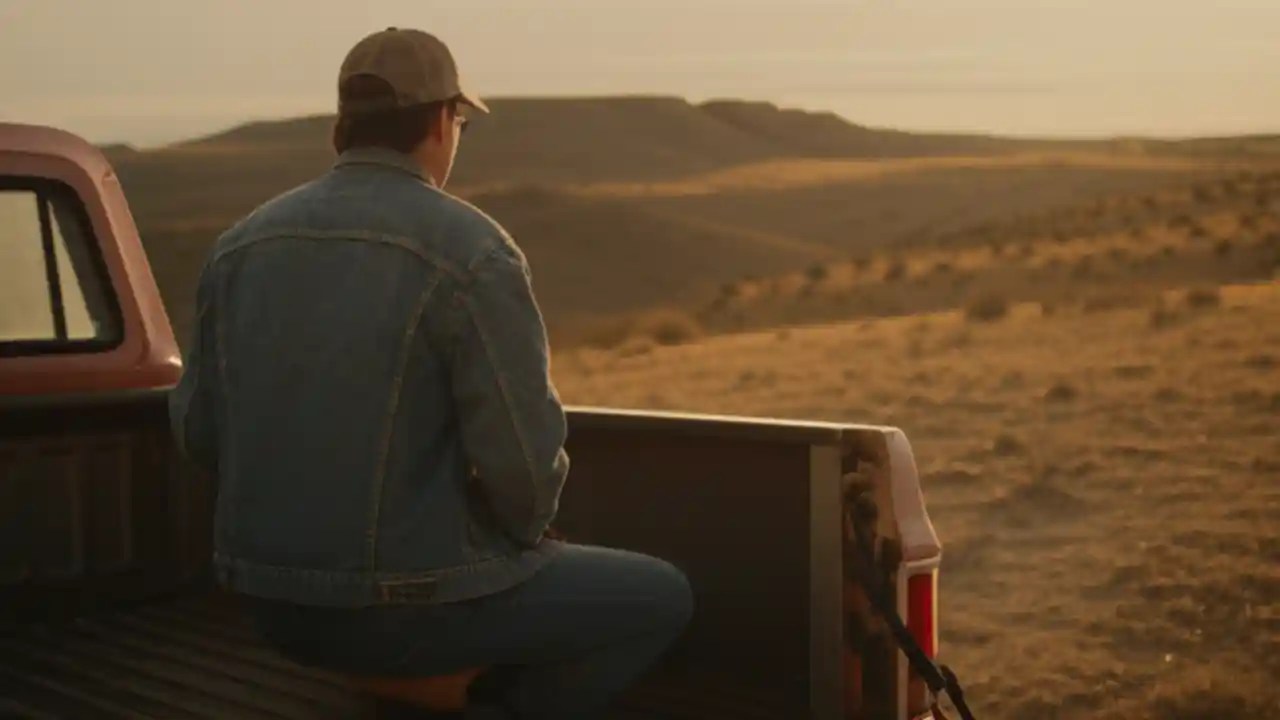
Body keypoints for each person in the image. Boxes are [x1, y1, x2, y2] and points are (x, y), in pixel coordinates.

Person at [169, 27, 693, 719]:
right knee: (661, 597)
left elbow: (200, 434)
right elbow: (524, 472)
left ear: (341, 131)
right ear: (443, 124)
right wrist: (520, 536)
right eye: (460, 121)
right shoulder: (472, 252)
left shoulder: (239, 247)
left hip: (269, 608)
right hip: (402, 612)